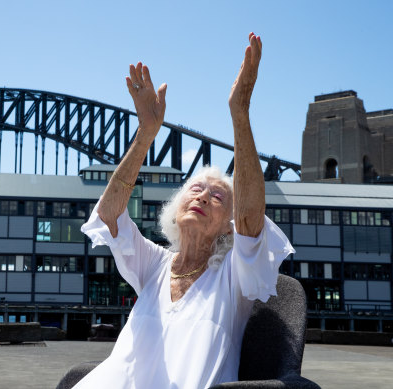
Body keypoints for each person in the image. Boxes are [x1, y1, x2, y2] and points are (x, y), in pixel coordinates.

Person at [75, 33, 294, 388]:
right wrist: (146, 133)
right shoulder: (154, 265)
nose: (204, 197)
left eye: (219, 198)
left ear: (229, 227)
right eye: (196, 189)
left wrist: (240, 113)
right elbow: (110, 216)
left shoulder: (233, 277)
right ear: (175, 210)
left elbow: (253, 221)